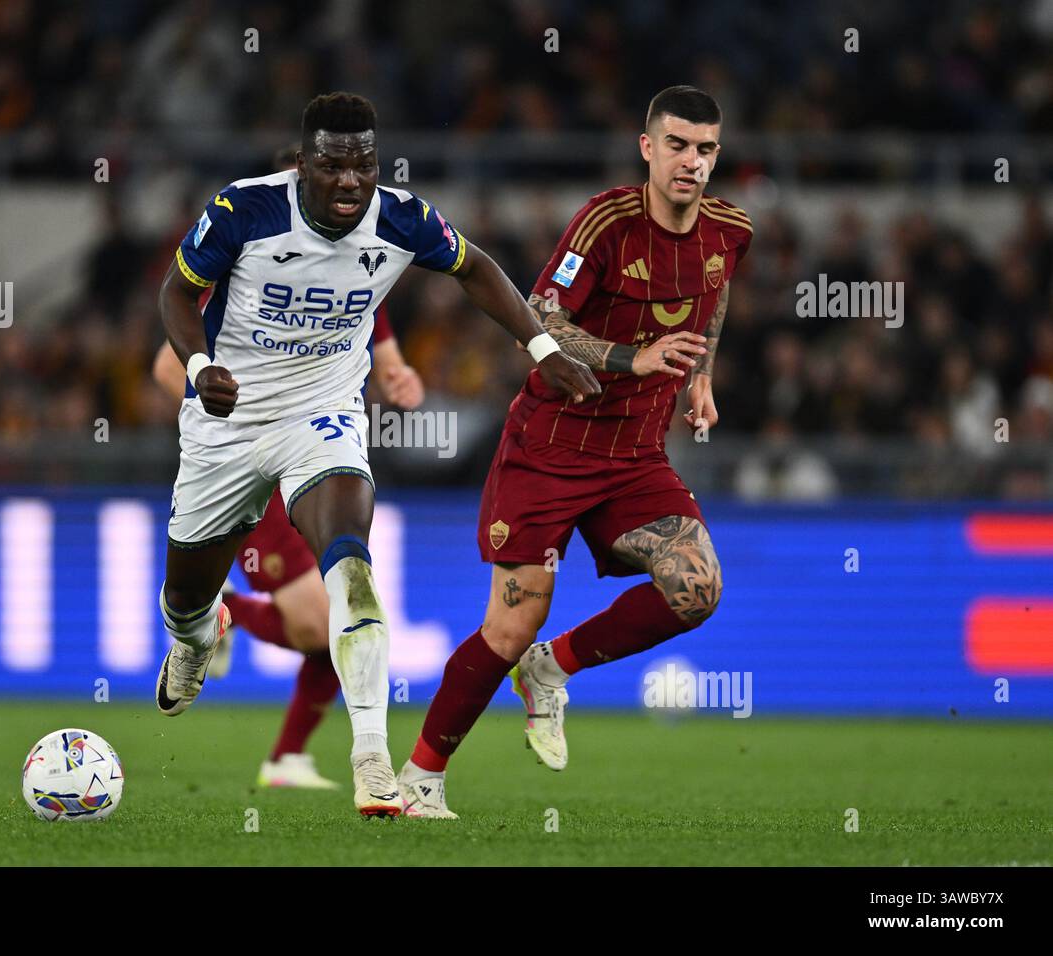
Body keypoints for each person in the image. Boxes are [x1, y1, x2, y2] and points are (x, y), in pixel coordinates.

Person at [154, 91, 598, 817]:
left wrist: (542, 347)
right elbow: (177, 292)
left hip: (323, 416)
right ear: (304, 165)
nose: (351, 181)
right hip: (225, 425)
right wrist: (202, 368)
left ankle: (371, 759)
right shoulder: (244, 209)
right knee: (183, 600)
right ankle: (196, 638)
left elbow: (476, 268)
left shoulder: (401, 218)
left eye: (364, 165)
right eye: (333, 166)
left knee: (352, 571)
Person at [395, 86, 751, 819]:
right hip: (552, 445)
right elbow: (542, 316)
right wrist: (631, 358)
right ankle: (420, 780)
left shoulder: (730, 229)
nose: (691, 161)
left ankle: (551, 668)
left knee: (697, 588)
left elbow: (714, 296)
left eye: (705, 149)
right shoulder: (606, 223)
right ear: (647, 148)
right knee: (511, 623)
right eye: (677, 145)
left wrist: (702, 377)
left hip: (635, 455)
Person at [151, 143, 423, 789]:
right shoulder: (241, 263)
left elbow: (382, 349)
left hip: (314, 453)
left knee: (342, 610)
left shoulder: (358, 270)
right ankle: (220, 615)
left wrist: (398, 375)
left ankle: (289, 756)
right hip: (248, 458)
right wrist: (230, 415)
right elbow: (166, 368)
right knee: (314, 623)